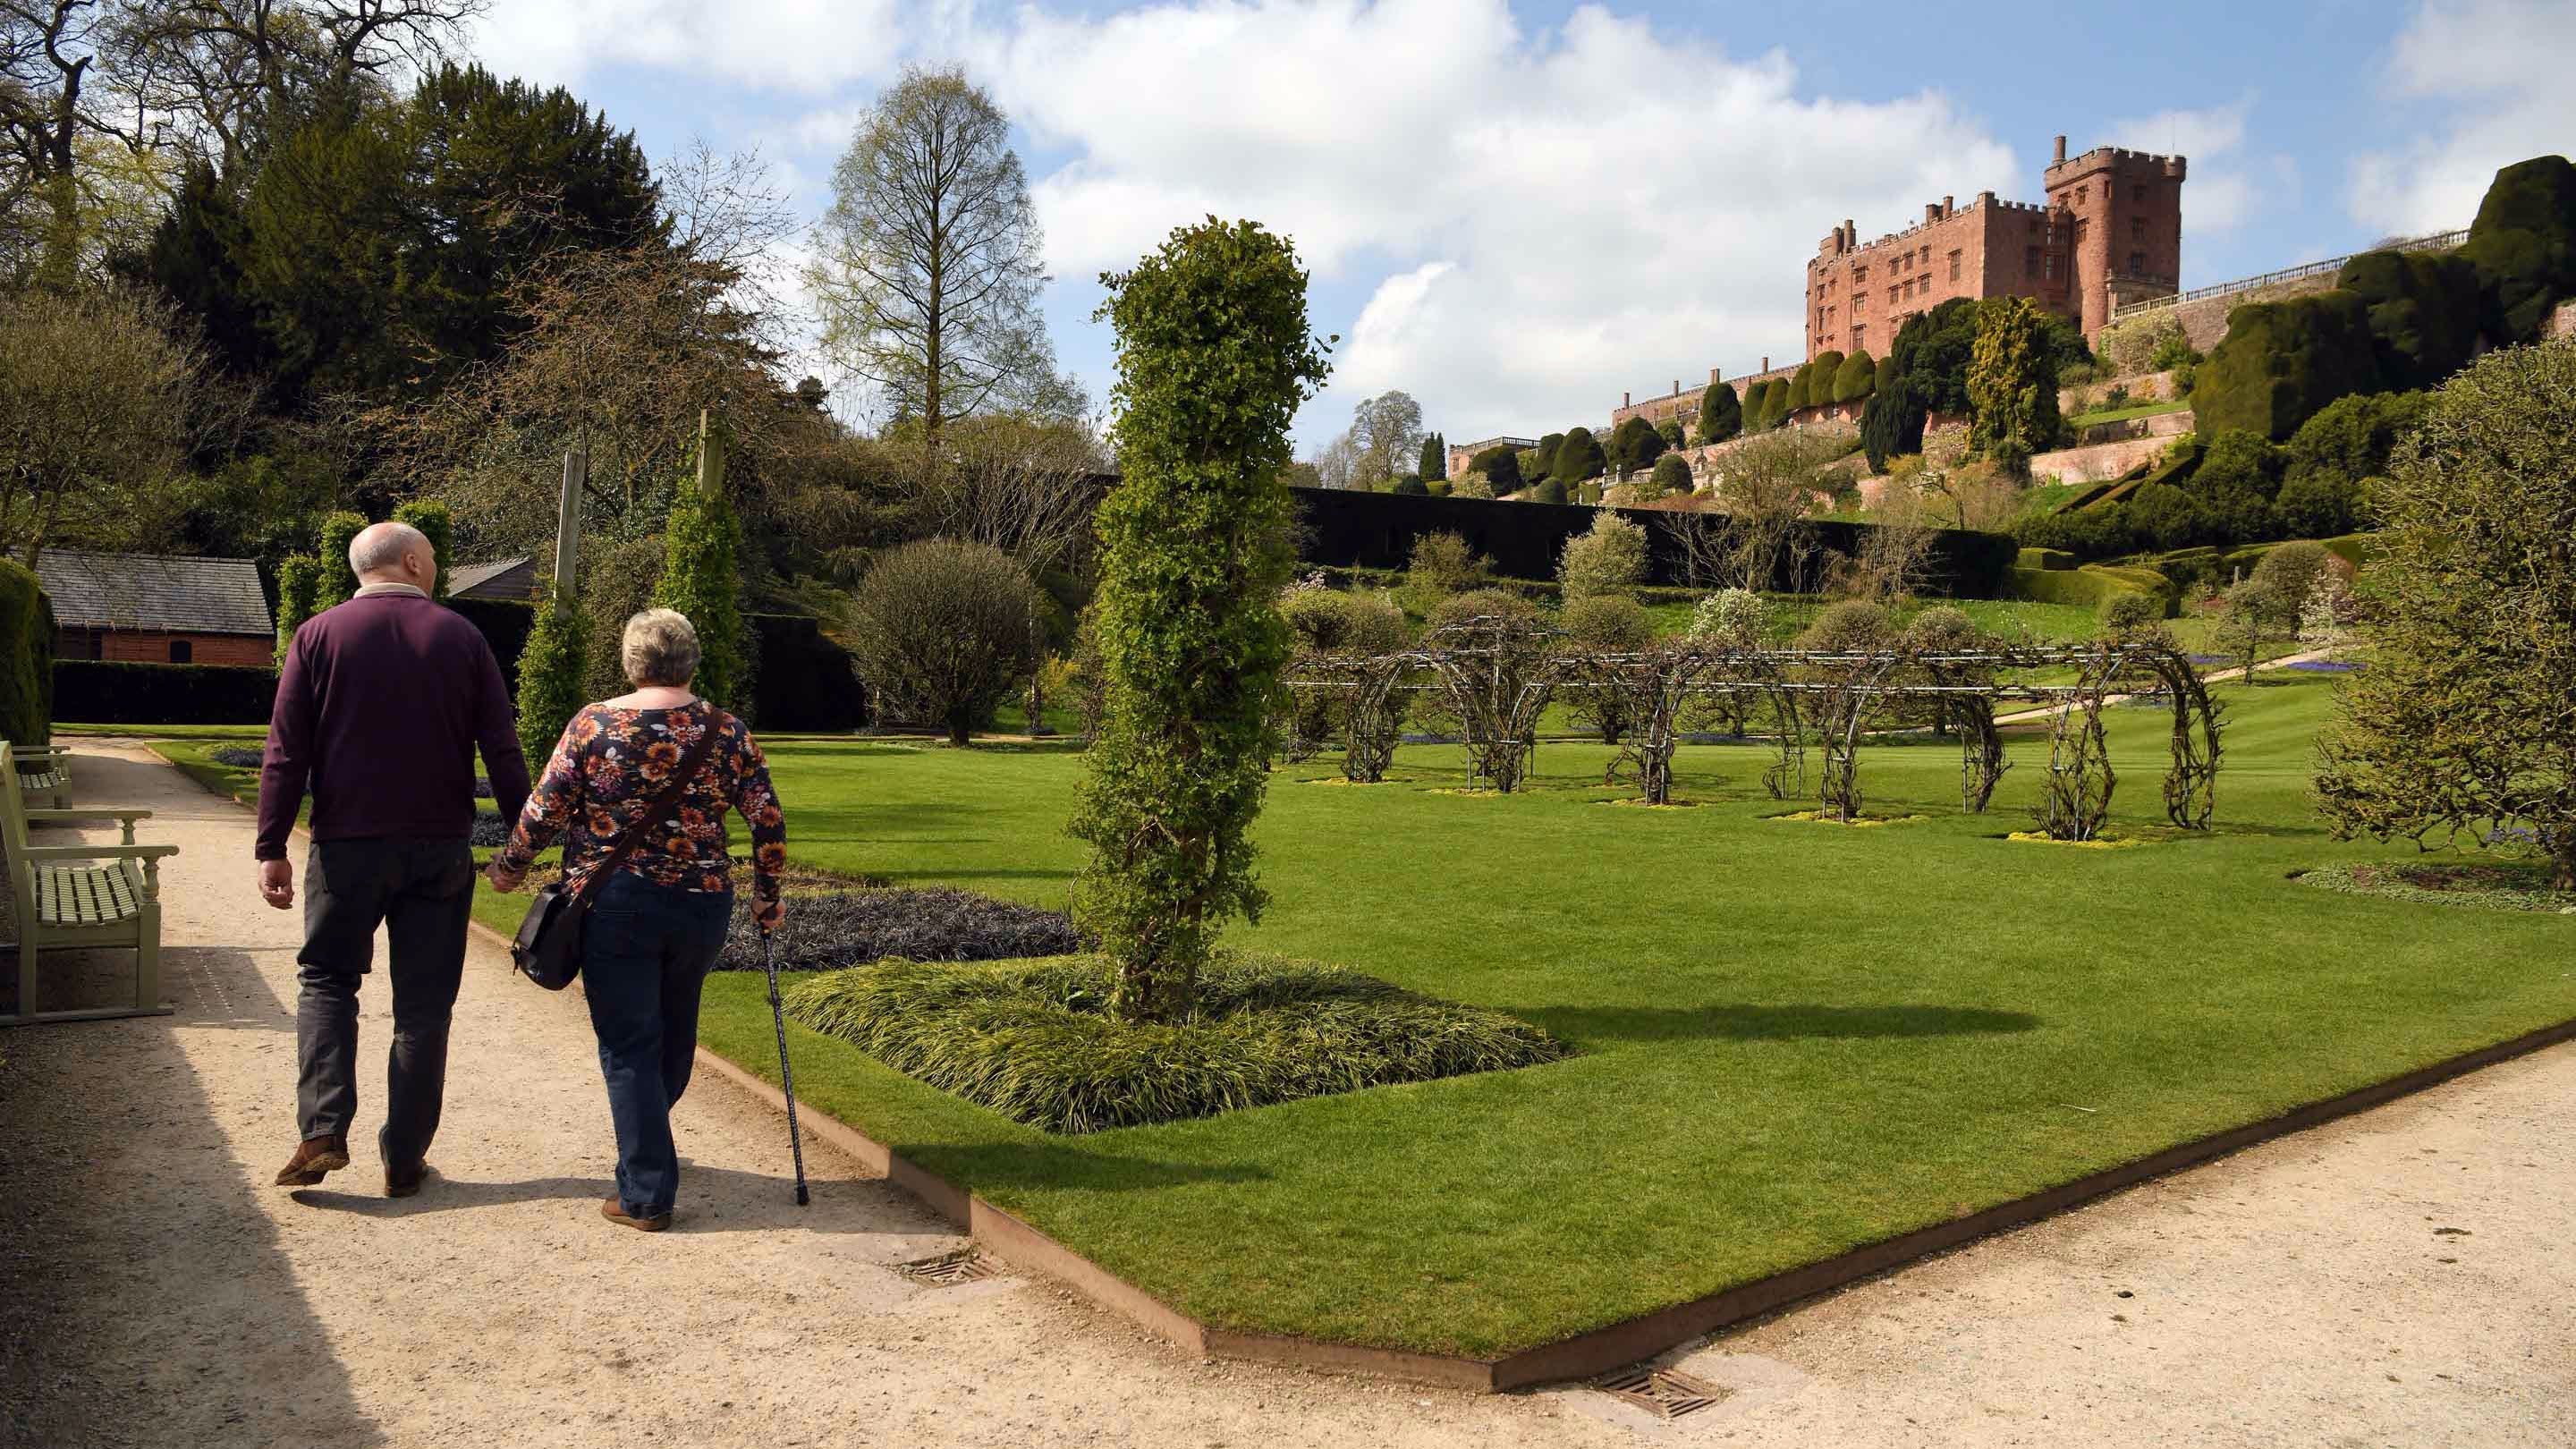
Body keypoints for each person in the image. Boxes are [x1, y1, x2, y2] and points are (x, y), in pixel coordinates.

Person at [487, 609, 784, 1233]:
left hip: (616, 901)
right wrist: (768, 893)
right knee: (674, 1032)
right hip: (702, 901)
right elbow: (767, 819)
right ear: (691, 661)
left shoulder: (595, 724)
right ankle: (648, 1143)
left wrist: (511, 865)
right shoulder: (727, 730)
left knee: (628, 1043)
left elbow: (545, 809)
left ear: (630, 663)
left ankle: (646, 1194)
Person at [258, 521, 530, 1196]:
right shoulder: (461, 638)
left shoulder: (316, 636)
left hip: (346, 845)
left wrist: (272, 845)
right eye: (432, 558)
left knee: (327, 983)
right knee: (424, 1007)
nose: (435, 568)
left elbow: (286, 751)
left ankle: (322, 1130)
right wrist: (522, 839)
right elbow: (501, 747)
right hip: (438, 847)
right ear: (411, 562)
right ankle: (403, 1159)